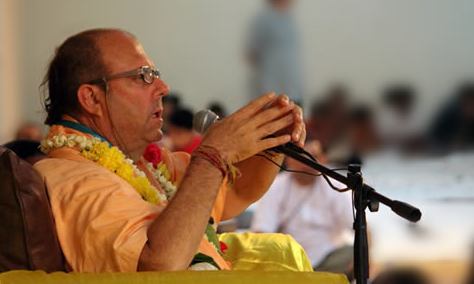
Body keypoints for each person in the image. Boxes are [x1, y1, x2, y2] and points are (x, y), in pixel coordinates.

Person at [35, 29, 308, 273]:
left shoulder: (146, 164)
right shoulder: (74, 179)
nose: (162, 88)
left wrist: (275, 138)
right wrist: (213, 154)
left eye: (155, 75)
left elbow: (235, 191)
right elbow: (159, 265)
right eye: (143, 76)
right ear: (92, 98)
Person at [251, 140, 354, 278]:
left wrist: (363, 257)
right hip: (289, 261)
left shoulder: (336, 186)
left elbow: (361, 228)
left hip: (329, 259)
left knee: (354, 253)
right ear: (289, 160)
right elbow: (262, 232)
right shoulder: (276, 186)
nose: (308, 163)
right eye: (302, 157)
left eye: (314, 157)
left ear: (323, 160)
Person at [246, 0, 304, 104]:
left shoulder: (289, 21)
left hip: (293, 89)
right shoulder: (263, 20)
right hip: (270, 90)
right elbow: (251, 53)